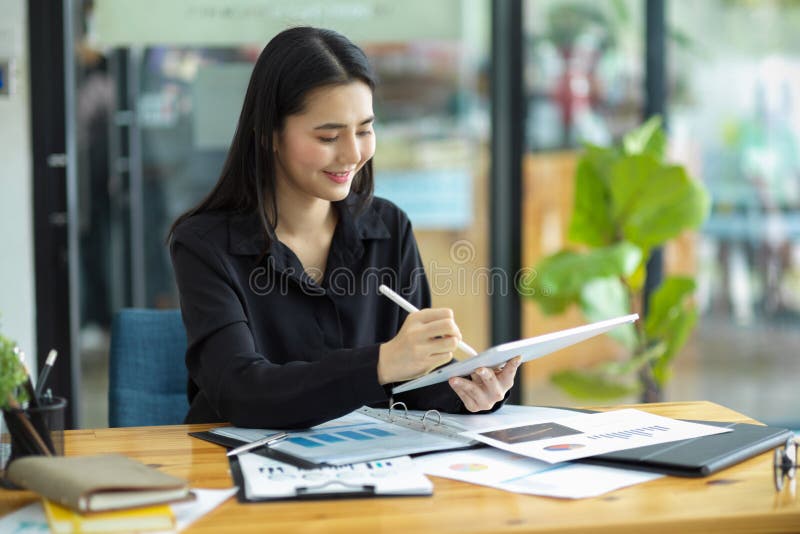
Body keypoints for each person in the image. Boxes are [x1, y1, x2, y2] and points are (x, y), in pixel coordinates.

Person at [168, 27, 521, 429]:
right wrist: (380, 363)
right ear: (269, 135)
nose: (353, 154)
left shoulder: (389, 227)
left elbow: (411, 387)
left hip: (367, 465)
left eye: (365, 130)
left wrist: (469, 390)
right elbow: (240, 391)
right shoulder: (204, 244)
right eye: (329, 136)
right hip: (235, 472)